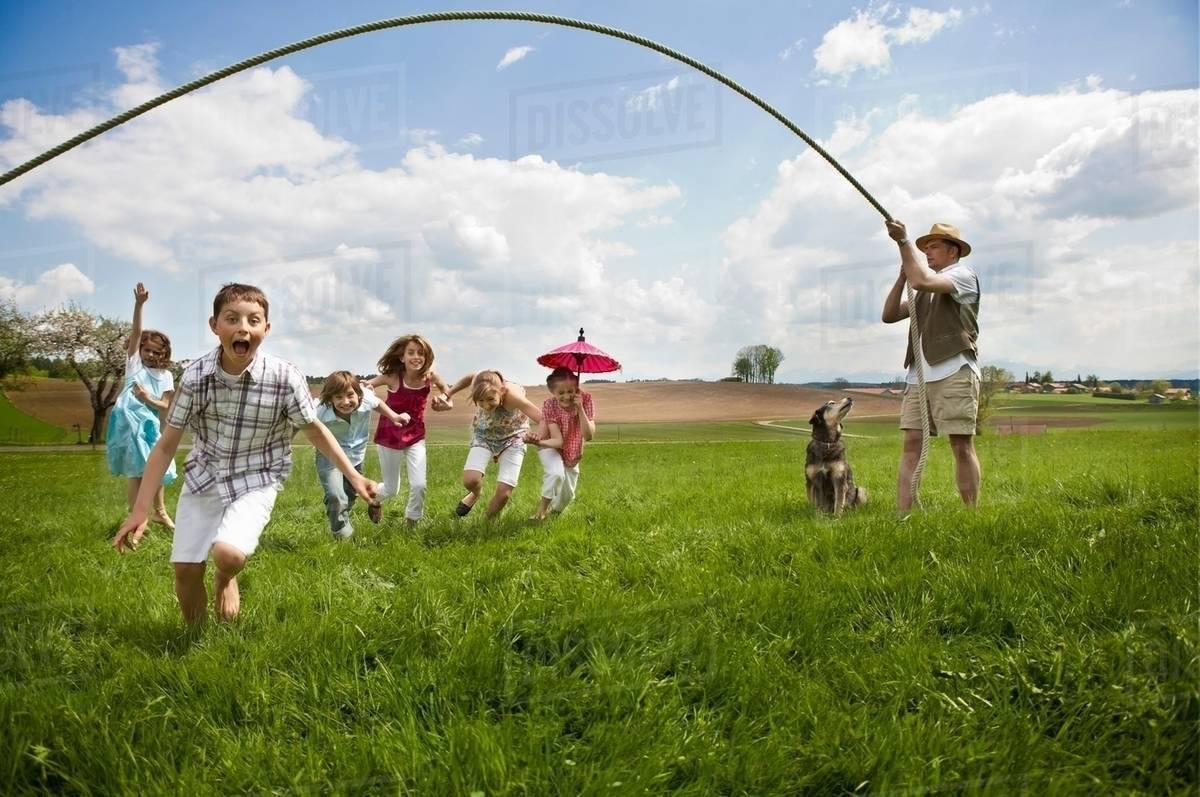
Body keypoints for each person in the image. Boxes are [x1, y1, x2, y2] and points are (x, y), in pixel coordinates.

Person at [112, 283, 378, 626]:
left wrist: (354, 476)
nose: (243, 327)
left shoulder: (284, 377)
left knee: (228, 553)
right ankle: (196, 638)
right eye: (232, 318)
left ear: (265, 329)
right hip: (205, 474)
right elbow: (166, 443)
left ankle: (226, 577)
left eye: (253, 320)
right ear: (214, 326)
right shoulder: (196, 376)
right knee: (185, 569)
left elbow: (313, 429)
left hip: (258, 476)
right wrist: (140, 510)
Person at [882, 220, 982, 510]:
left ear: (954, 251)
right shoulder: (922, 286)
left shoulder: (963, 275)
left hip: (954, 371)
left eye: (934, 246)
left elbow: (922, 280)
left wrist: (904, 243)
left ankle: (970, 514)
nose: (927, 252)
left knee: (961, 445)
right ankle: (902, 517)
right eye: (924, 248)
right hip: (918, 376)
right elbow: (888, 315)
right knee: (911, 443)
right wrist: (901, 278)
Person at [105, 282, 177, 529]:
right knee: (137, 471)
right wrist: (139, 305)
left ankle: (159, 511)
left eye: (157, 352)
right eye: (147, 350)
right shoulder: (134, 366)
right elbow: (136, 333)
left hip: (150, 426)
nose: (151, 355)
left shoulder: (165, 376)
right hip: (129, 425)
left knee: (157, 468)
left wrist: (147, 398)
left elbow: (165, 406)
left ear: (164, 353)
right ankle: (137, 517)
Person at [361, 334, 453, 527]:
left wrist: (444, 404)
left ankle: (411, 524)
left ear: (427, 357)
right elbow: (366, 386)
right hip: (389, 434)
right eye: (411, 352)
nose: (416, 356)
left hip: (416, 435)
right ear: (402, 357)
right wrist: (366, 388)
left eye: (421, 353)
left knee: (419, 484)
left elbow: (448, 398)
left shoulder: (431, 377)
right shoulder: (393, 377)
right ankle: (374, 498)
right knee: (391, 489)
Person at [315, 370, 409, 539]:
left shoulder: (365, 397)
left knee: (350, 495)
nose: (345, 402)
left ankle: (340, 508)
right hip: (328, 456)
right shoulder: (320, 410)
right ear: (330, 399)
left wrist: (394, 417)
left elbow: (378, 403)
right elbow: (300, 421)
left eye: (350, 395)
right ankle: (341, 533)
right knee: (336, 495)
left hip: (356, 456)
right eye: (338, 397)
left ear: (358, 394)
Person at [444, 370, 543, 520]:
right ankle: (476, 494)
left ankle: (486, 524)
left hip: (514, 437)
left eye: (490, 399)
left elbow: (542, 418)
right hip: (485, 435)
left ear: (502, 391)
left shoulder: (513, 396)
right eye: (480, 401)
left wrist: (537, 435)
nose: (486, 405)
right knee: (470, 480)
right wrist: (448, 394)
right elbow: (471, 376)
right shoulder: (481, 380)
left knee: (504, 493)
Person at [525, 368, 596, 521]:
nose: (567, 396)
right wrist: (538, 441)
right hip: (551, 445)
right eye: (561, 393)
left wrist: (580, 409)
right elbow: (558, 440)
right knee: (556, 474)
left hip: (572, 449)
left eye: (571, 391)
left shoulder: (586, 399)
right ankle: (541, 512)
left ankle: (554, 512)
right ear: (553, 392)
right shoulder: (550, 405)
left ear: (577, 387)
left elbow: (588, 436)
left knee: (568, 495)